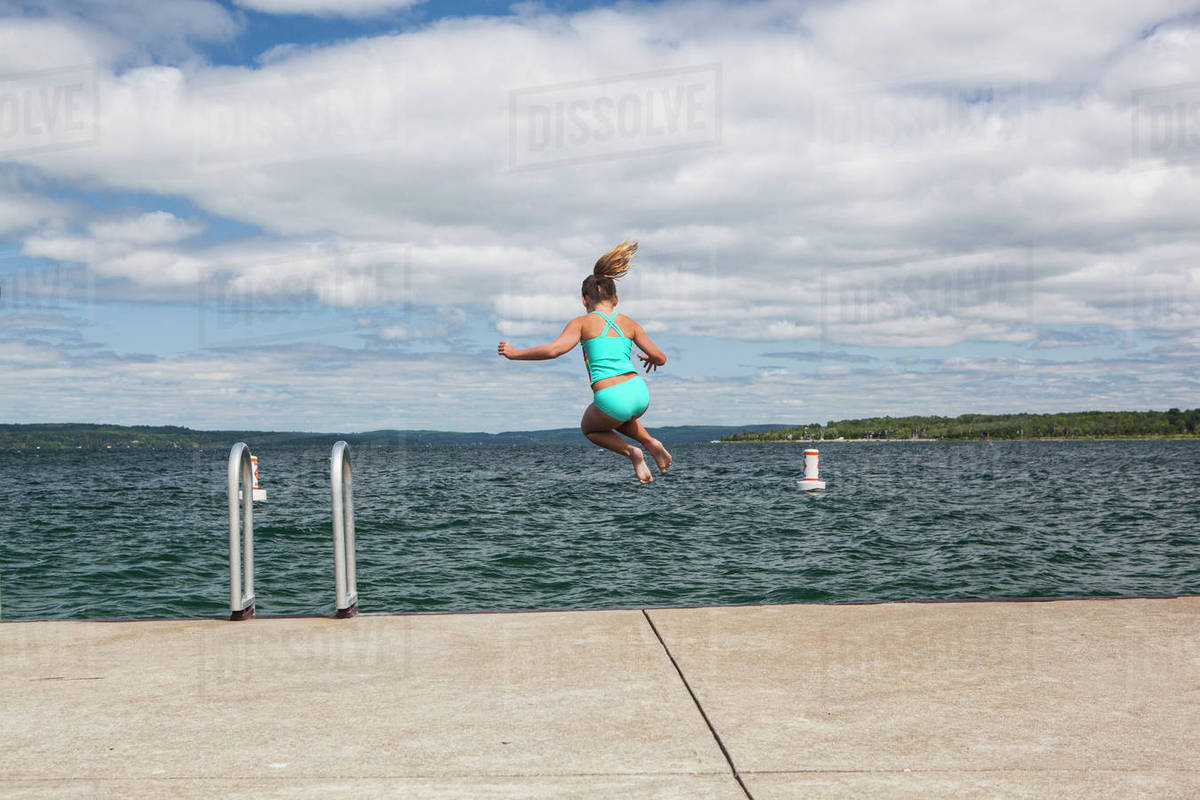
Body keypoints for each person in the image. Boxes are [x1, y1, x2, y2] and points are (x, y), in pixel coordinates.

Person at [497, 240, 672, 484]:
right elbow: (661, 358)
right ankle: (650, 441)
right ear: (616, 299)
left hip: (610, 396)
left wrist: (515, 353)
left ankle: (633, 452)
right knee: (620, 418)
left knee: (590, 428)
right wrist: (651, 358)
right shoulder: (630, 324)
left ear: (584, 300)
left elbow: (554, 350)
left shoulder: (582, 323)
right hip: (639, 392)